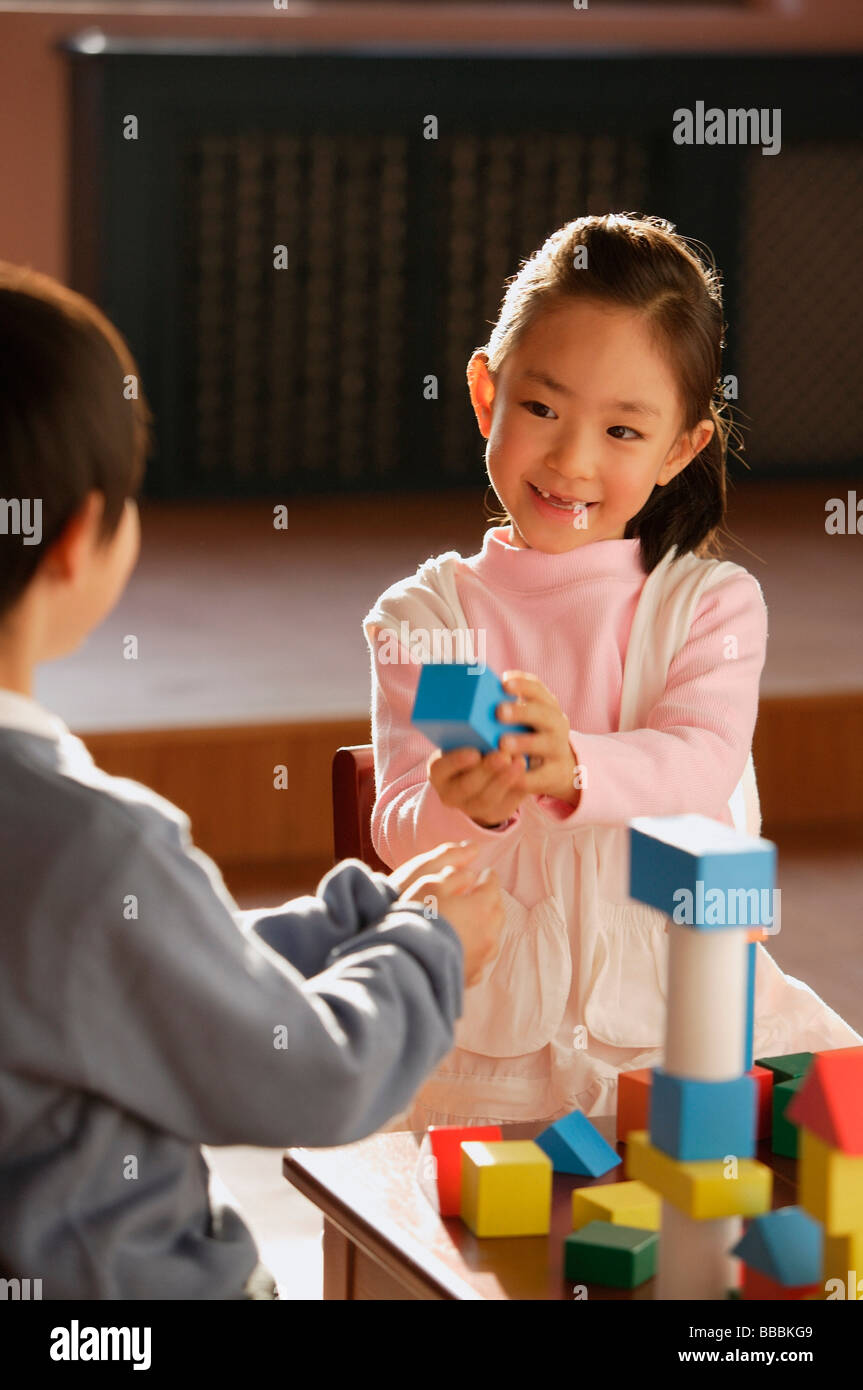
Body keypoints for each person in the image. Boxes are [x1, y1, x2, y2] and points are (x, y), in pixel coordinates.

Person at [0, 261, 503, 1299]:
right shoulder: (96, 846)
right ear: (81, 537)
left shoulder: (77, 865)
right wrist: (428, 950)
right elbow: (313, 1077)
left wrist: (349, 921)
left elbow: (131, 975)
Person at [364, 213, 862, 1131]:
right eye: (541, 409)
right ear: (485, 392)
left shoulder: (710, 604)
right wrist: (472, 803)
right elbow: (398, 823)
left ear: (680, 448)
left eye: (624, 430)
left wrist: (574, 767)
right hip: (496, 1034)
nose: (571, 459)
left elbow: (700, 762)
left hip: (692, 1019)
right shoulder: (423, 618)